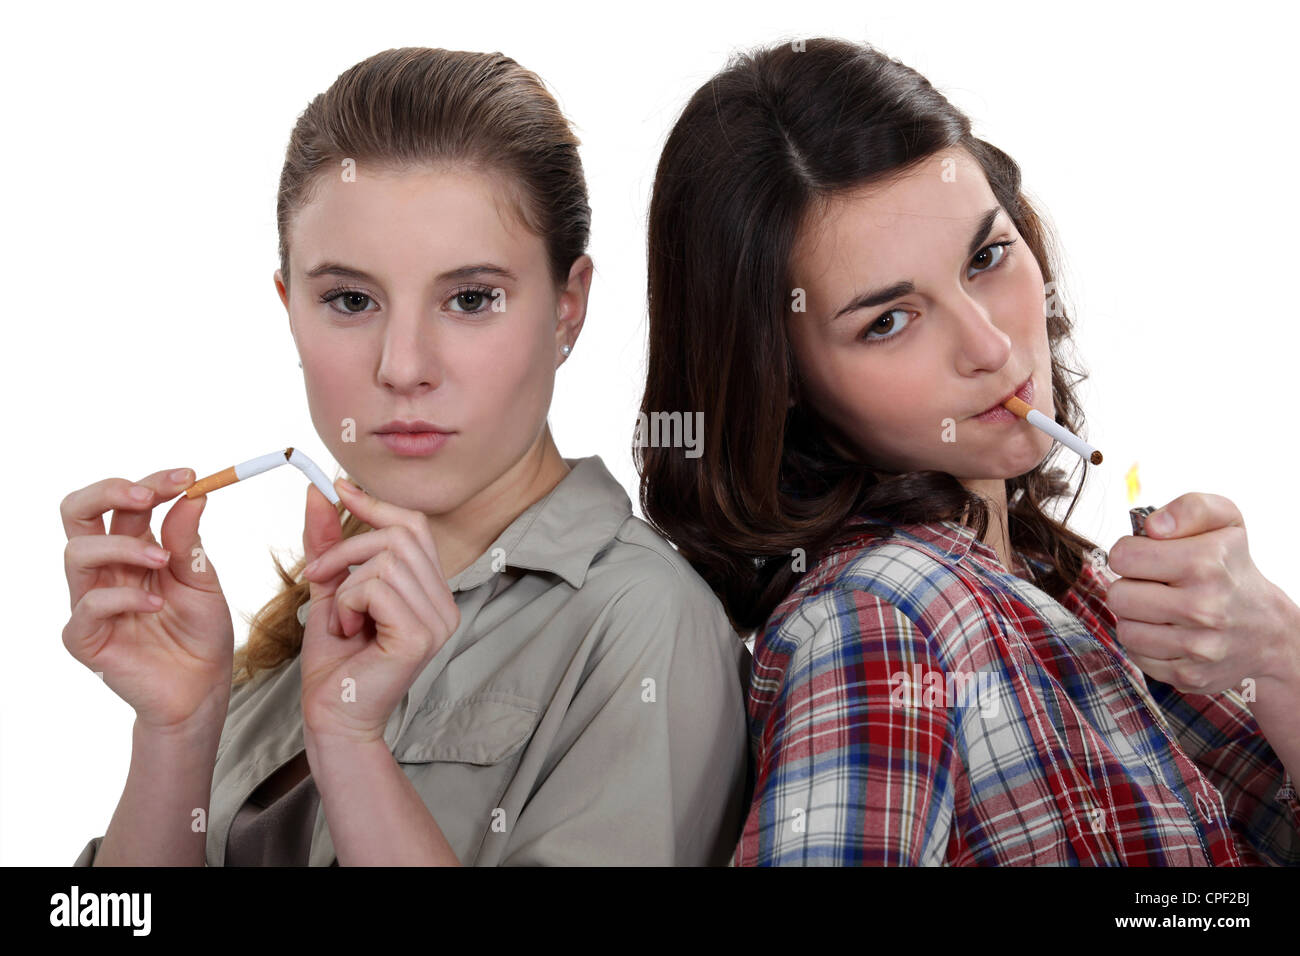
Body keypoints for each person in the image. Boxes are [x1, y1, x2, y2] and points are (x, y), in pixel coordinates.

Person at [63, 46, 749, 866]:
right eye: (350, 301)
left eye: (471, 299)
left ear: (569, 308)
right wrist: (177, 730)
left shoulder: (641, 626)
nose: (402, 366)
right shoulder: (303, 632)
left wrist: (353, 747)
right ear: (289, 307)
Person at [636, 36, 1300, 865]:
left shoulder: (1066, 582)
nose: (989, 346)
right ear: (784, 378)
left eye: (986, 257)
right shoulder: (880, 619)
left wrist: (1277, 650)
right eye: (888, 319)